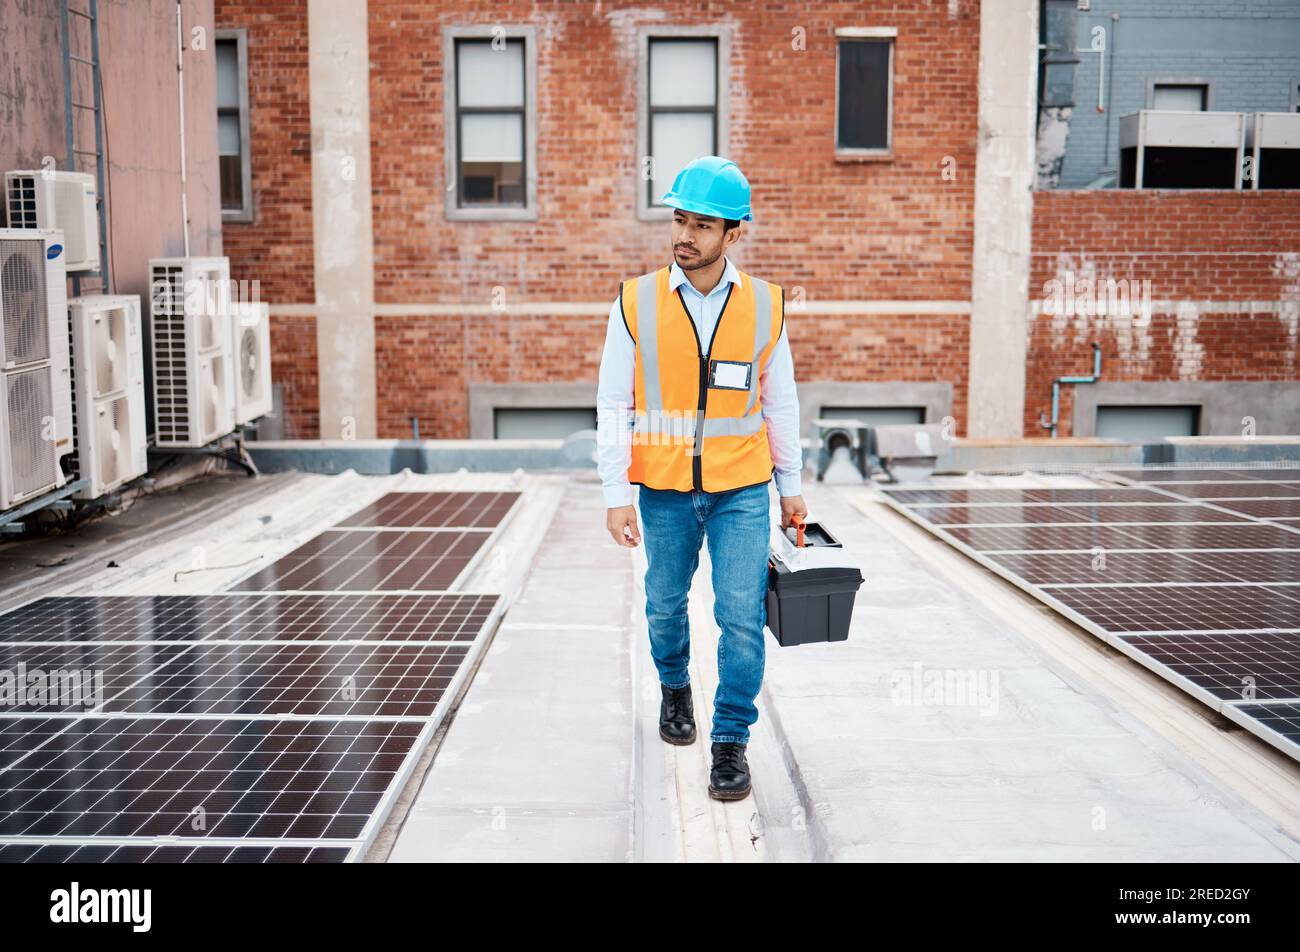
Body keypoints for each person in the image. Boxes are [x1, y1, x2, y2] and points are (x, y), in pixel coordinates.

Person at [595, 155, 806, 801]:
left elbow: (781, 402)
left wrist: (790, 487)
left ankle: (730, 742)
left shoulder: (766, 306)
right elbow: (613, 402)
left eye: (702, 225)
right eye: (679, 219)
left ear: (734, 233)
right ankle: (675, 687)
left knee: (741, 617)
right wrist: (614, 492)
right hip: (661, 490)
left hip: (742, 489)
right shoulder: (637, 300)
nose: (684, 235)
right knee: (664, 605)